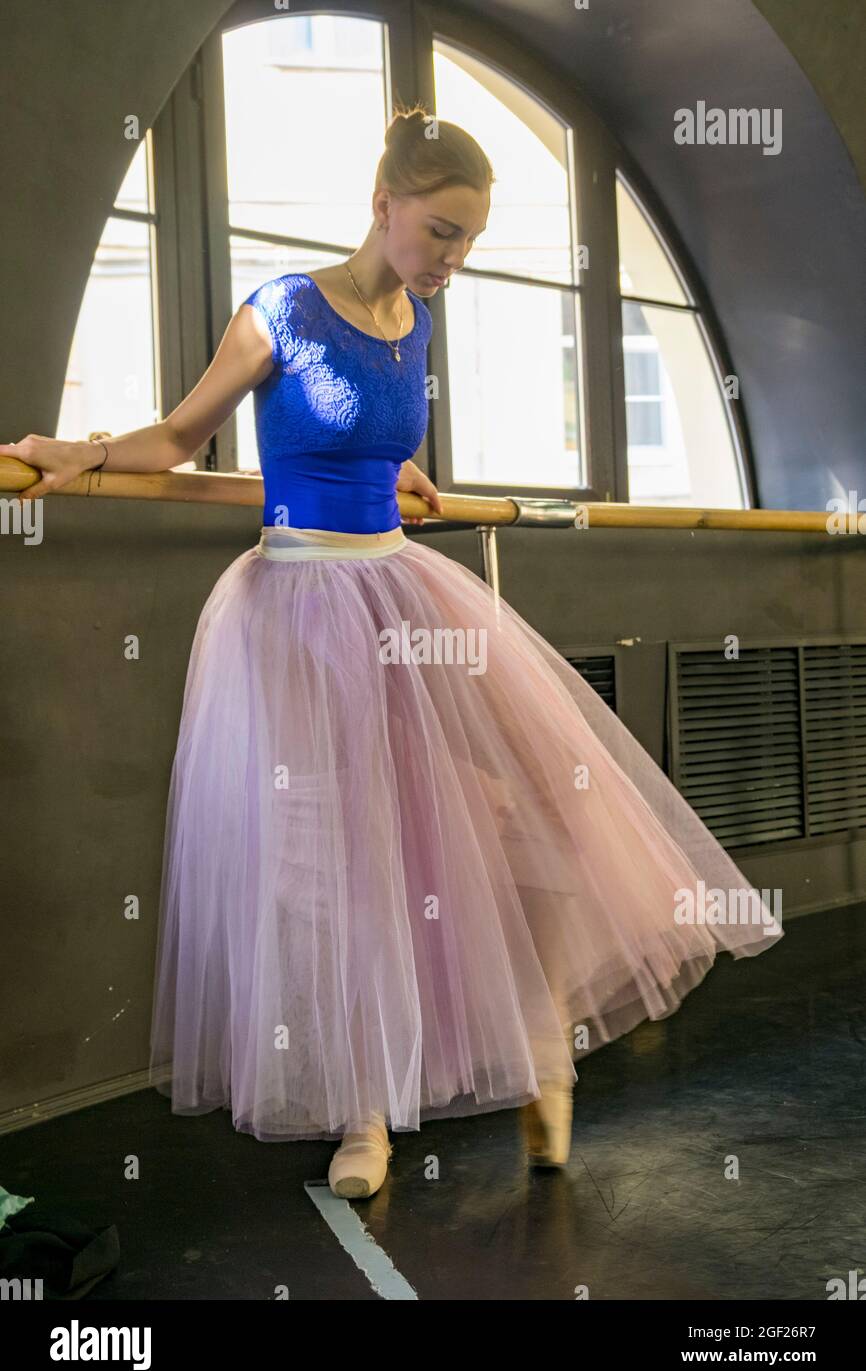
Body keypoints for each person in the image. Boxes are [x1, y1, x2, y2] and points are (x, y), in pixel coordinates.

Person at [2, 106, 783, 1202]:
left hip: (402, 587)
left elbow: (384, 438)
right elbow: (178, 441)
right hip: (296, 605)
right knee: (338, 865)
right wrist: (72, 452)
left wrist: (406, 475)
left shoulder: (415, 314)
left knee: (528, 800)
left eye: (468, 239)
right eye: (440, 232)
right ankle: (362, 1109)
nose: (453, 258)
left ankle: (535, 1046)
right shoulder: (279, 310)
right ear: (382, 207)